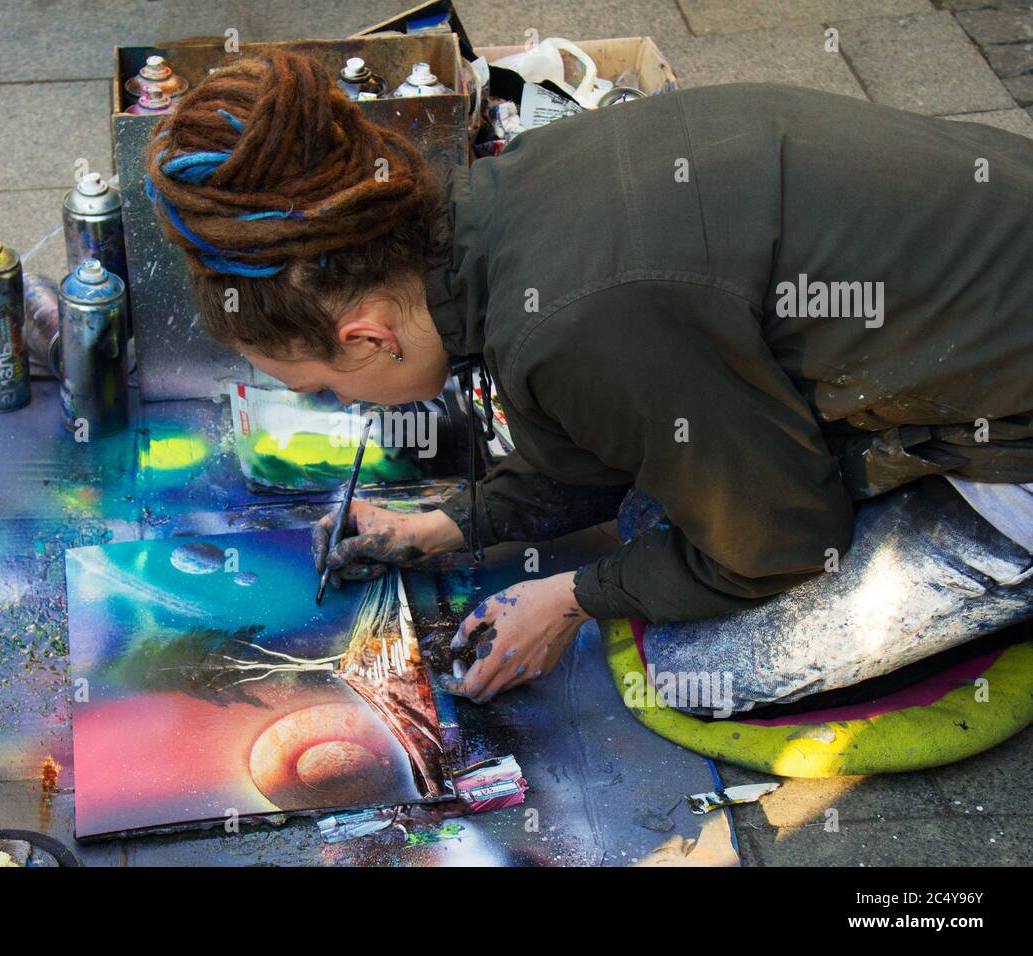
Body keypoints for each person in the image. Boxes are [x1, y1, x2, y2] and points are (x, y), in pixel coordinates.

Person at [144, 49, 1033, 715]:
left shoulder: (573, 324)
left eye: (330, 389)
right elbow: (601, 416)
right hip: (985, 263)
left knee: (690, 665)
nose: (346, 409)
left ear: (367, 335)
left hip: (1012, 416)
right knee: (665, 508)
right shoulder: (498, 203)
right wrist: (448, 526)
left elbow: (783, 542)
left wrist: (574, 598)